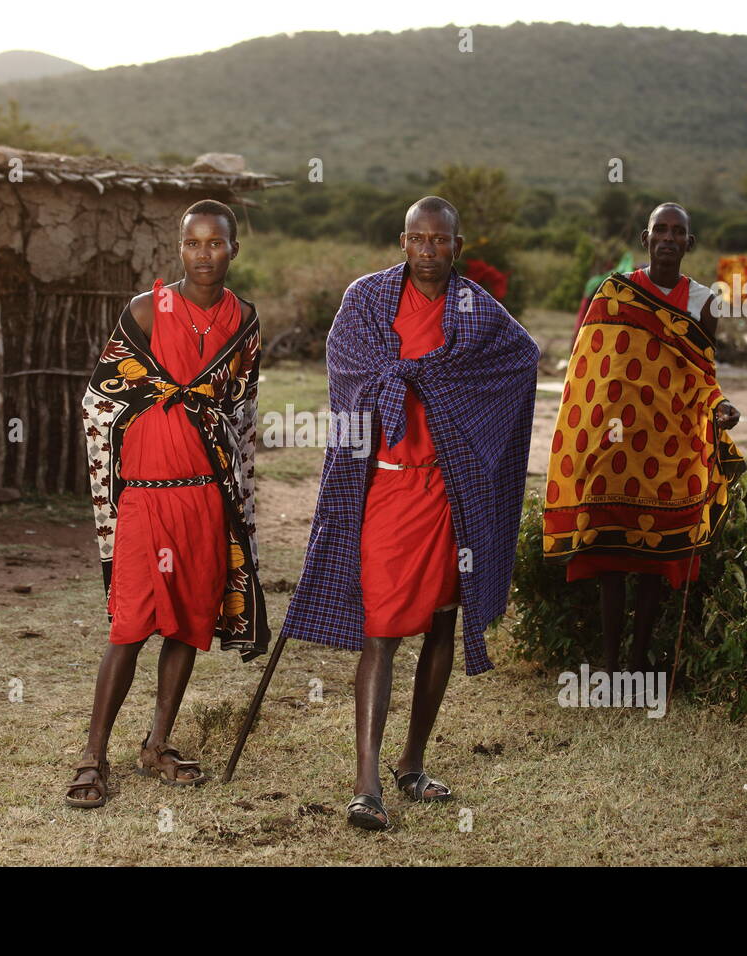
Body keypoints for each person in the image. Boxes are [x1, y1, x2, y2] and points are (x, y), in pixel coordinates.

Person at [281, 197, 541, 830]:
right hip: (388, 489)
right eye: (418, 240)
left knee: (443, 626)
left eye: (441, 241)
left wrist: (446, 390)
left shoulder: (477, 309)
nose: (429, 252)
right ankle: (366, 785)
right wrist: (406, 377)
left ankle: (412, 763)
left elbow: (522, 359)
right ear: (403, 242)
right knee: (381, 630)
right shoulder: (366, 300)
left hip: (450, 493)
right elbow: (346, 371)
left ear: (458, 244)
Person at [66, 200, 269, 808]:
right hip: (146, 497)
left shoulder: (244, 321)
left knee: (188, 620)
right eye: (192, 244)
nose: (203, 255)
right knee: (129, 627)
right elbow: (98, 399)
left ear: (234, 250)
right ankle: (93, 755)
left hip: (205, 497)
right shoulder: (144, 312)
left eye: (215, 244)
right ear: (178, 248)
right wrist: (162, 409)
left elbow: (242, 413)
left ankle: (157, 743)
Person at [543, 202, 745, 683]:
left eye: (679, 232)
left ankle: (638, 666)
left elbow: (702, 375)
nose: (669, 238)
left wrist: (721, 407)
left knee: (655, 561)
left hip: (670, 448)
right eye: (661, 230)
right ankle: (612, 666)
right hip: (616, 448)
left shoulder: (704, 303)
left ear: (689, 243)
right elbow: (588, 370)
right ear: (646, 237)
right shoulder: (615, 294)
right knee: (613, 560)